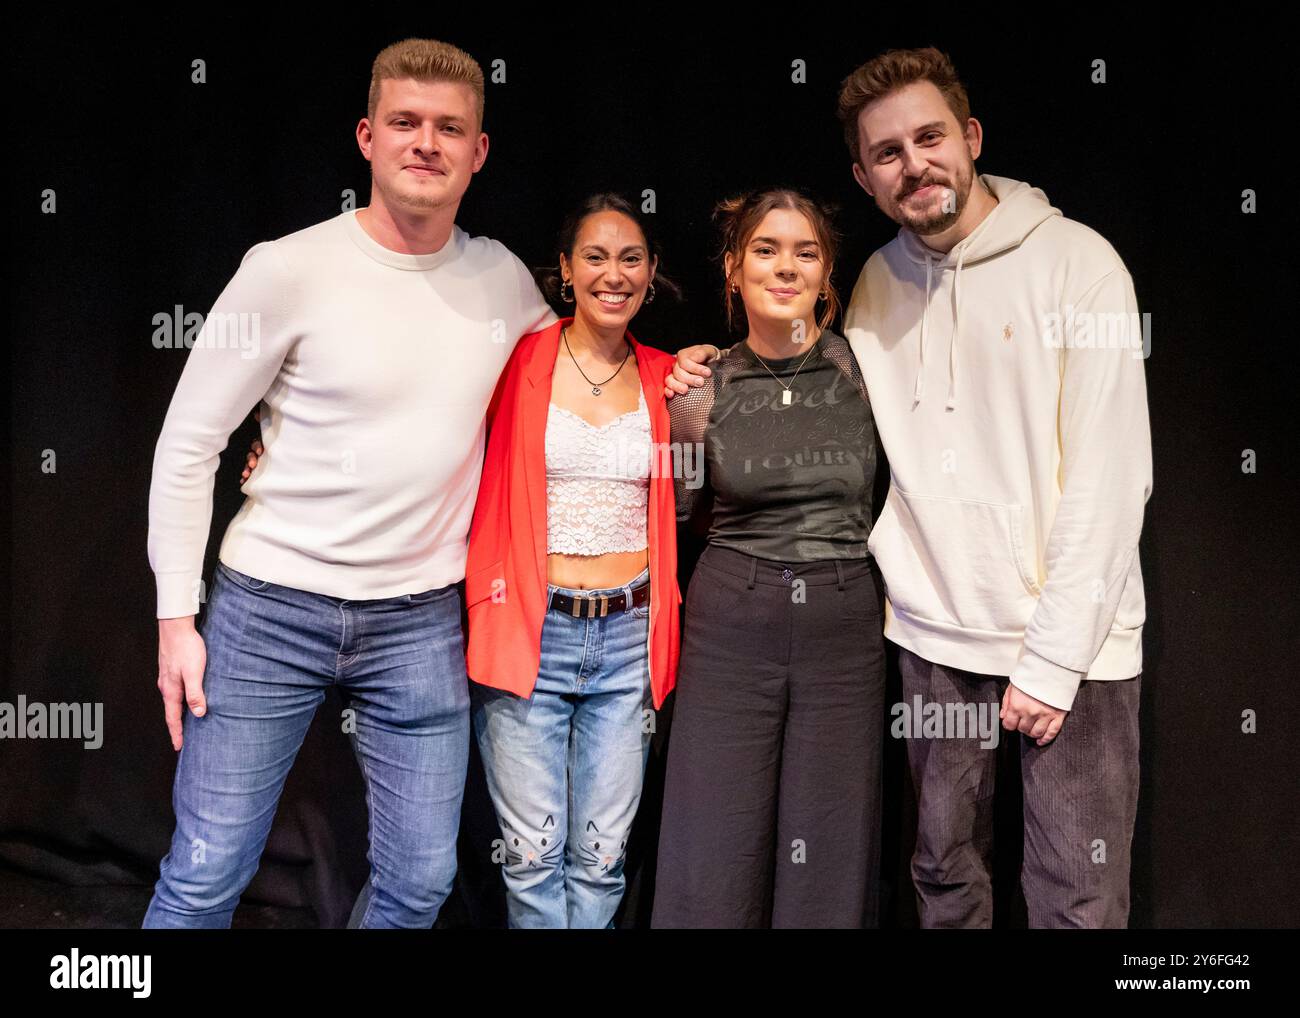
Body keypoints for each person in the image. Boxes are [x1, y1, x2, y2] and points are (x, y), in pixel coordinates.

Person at [670, 48, 1151, 929]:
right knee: (943, 882)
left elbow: (1114, 477)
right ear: (864, 174)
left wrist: (1054, 658)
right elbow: (806, 384)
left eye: (930, 137)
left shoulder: (1082, 266)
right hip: (934, 639)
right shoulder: (878, 285)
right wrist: (699, 375)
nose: (914, 164)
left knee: (1076, 899)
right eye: (887, 153)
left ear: (970, 137)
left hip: (1076, 649)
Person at [144, 38, 555, 928]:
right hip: (269, 611)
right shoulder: (287, 268)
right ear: (367, 137)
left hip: (421, 622)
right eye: (405, 123)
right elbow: (188, 444)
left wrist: (690, 377)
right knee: (205, 876)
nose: (426, 143)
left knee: (418, 886)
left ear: (479, 151)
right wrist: (177, 618)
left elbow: (590, 386)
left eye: (450, 128)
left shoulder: (504, 282)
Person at [651, 189, 885, 928]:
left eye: (805, 252)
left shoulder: (866, 370)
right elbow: (679, 513)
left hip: (844, 626)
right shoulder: (700, 388)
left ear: (826, 277)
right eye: (765, 249)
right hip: (732, 619)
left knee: (829, 847)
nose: (785, 267)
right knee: (712, 846)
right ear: (733, 269)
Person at [464, 194, 681, 928]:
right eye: (595, 256)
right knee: (531, 858)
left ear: (651, 275)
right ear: (564, 270)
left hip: (628, 639)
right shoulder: (515, 361)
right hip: (531, 632)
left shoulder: (668, 379)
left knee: (600, 860)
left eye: (630, 258)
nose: (612, 274)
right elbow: (423, 428)